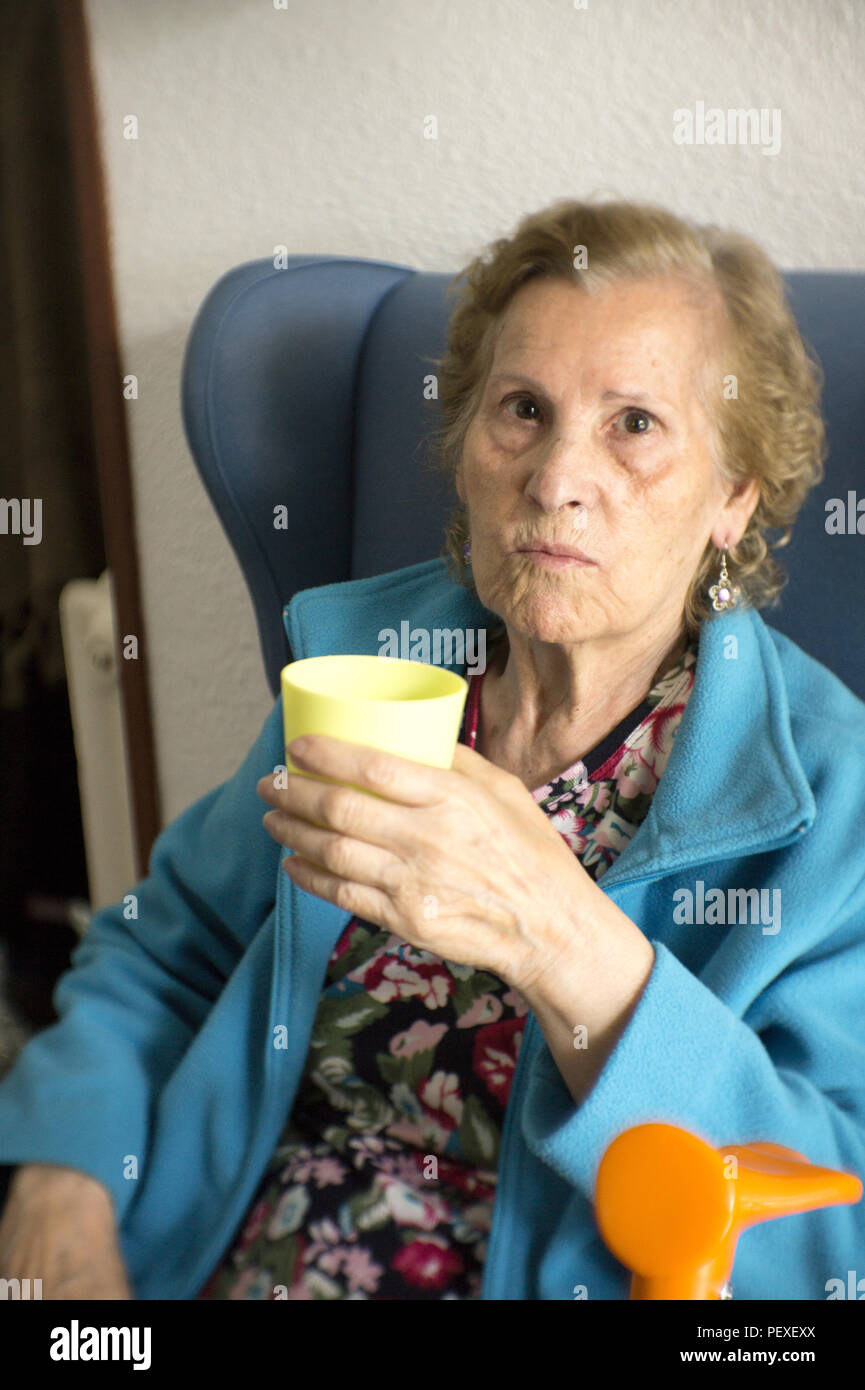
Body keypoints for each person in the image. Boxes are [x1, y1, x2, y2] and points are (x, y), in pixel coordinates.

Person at [2, 198, 864, 1301]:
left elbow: (827, 1233)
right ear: (464, 449)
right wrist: (62, 1185)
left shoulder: (821, 797)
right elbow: (163, 953)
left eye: (634, 424)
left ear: (732, 498)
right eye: (522, 409)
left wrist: (564, 943)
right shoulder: (373, 674)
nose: (556, 477)